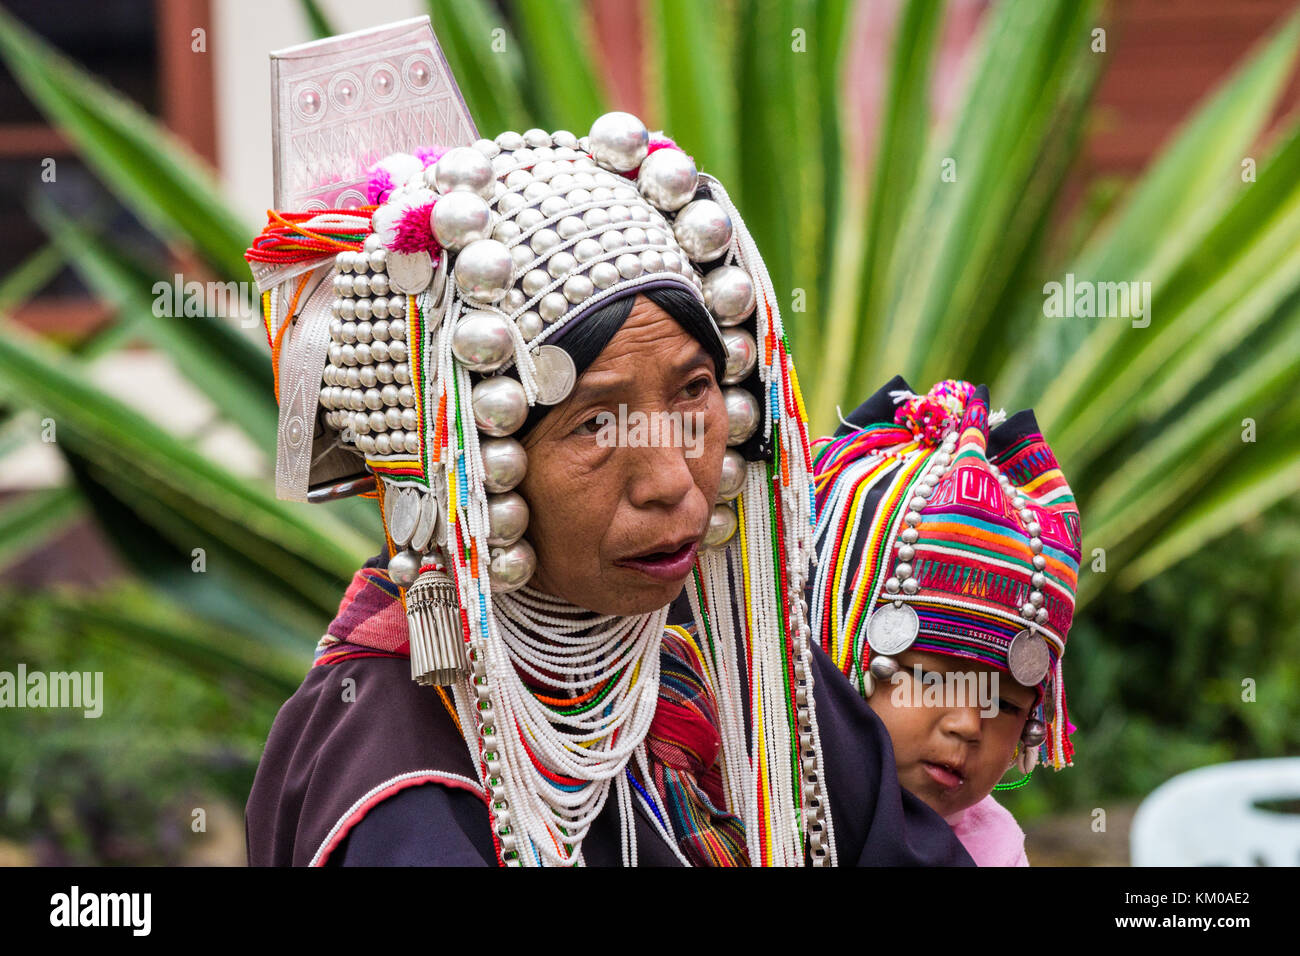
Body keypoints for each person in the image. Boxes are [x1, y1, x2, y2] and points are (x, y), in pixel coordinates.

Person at [241, 18, 971, 867]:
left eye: (693, 393)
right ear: (465, 469)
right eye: (595, 423)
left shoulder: (735, 659)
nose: (672, 483)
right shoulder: (395, 769)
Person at [808, 377, 1083, 865]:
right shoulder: (740, 798)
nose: (968, 725)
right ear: (837, 647)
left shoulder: (996, 853)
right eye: (932, 680)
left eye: (1005, 703)